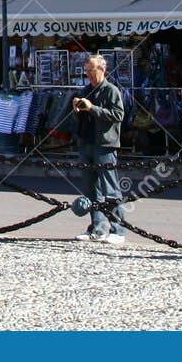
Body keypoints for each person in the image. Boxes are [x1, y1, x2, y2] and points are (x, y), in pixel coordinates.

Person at [73, 54, 127, 245]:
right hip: (87, 143)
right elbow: (80, 119)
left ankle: (118, 230)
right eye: (86, 70)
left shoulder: (111, 90)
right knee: (90, 189)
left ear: (102, 69)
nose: (88, 74)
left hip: (105, 145)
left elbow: (118, 115)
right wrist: (77, 109)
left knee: (111, 189)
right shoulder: (85, 90)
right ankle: (97, 228)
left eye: (92, 70)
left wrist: (92, 108)